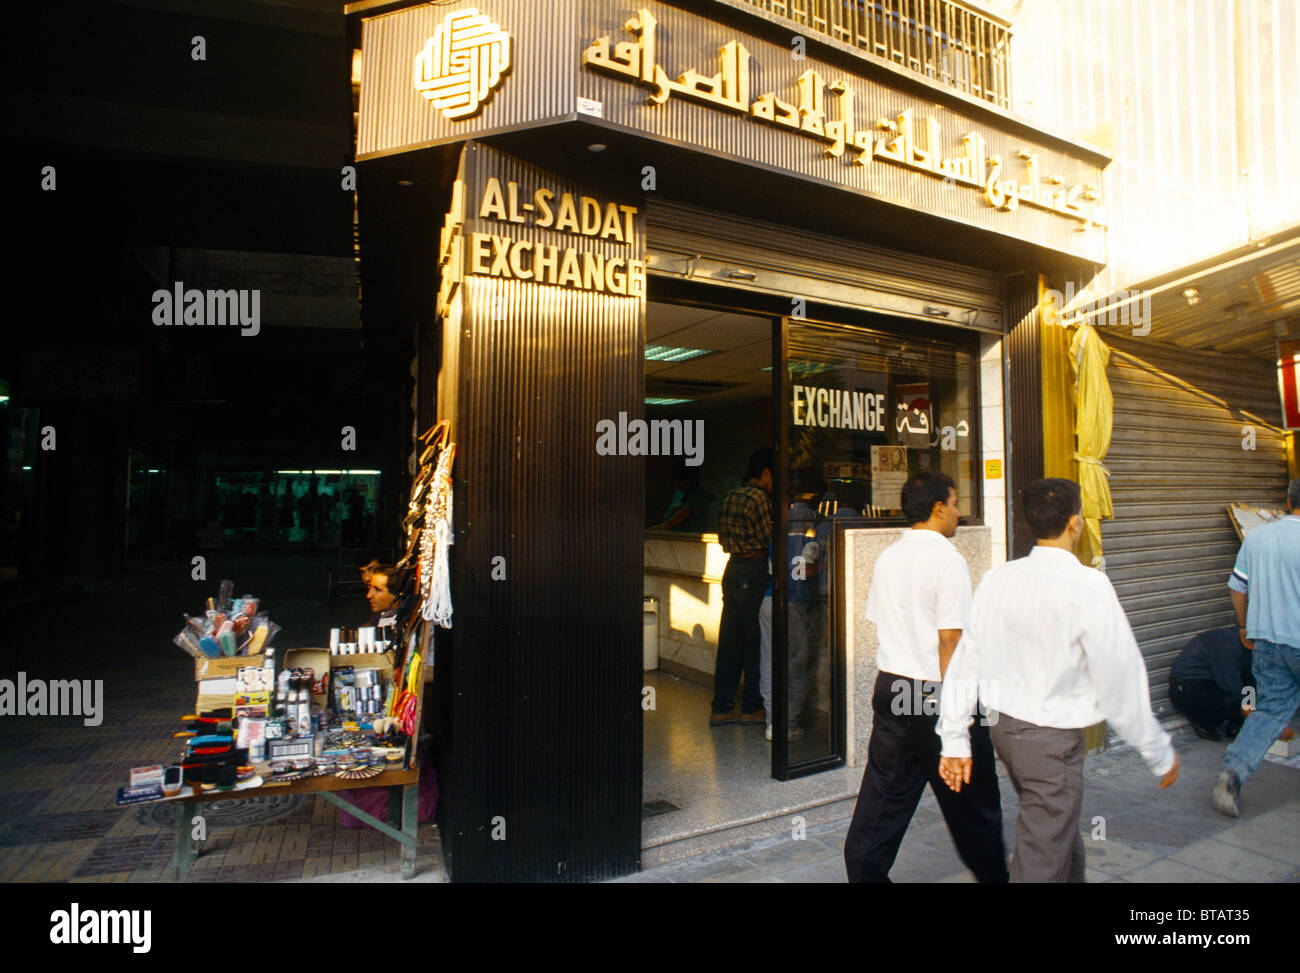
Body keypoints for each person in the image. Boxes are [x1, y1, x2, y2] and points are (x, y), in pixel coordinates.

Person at [938, 478, 1179, 883]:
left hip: (1004, 730)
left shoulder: (1000, 578)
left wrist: (954, 738)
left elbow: (967, 660)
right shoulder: (1089, 585)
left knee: (1054, 826)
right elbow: (1119, 678)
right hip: (1049, 741)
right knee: (1043, 850)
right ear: (1075, 522)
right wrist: (1157, 750)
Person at [842, 472, 1007, 884]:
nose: (958, 513)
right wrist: (955, 735)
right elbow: (950, 642)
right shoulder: (947, 560)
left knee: (880, 810)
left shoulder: (888, 556)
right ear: (937, 508)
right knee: (975, 813)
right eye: (954, 504)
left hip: (894, 689)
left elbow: (882, 623)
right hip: (938, 694)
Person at [1213, 478, 1300, 817]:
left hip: (1266, 641)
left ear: (1287, 501)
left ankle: (1231, 775)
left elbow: (1237, 587)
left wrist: (1245, 625)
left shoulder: (1258, 537)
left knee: (1269, 712)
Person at [711, 448, 774, 728]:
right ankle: (751, 707)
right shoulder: (760, 498)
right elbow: (768, 539)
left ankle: (722, 707)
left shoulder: (730, 495)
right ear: (766, 473)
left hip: (732, 568)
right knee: (754, 641)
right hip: (754, 569)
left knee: (729, 642)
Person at [1169, 626, 1254, 741]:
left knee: (1249, 684)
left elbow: (1248, 679)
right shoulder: (1227, 645)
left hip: (1211, 682)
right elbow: (1230, 682)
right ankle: (1203, 722)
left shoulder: (1245, 643)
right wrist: (1250, 712)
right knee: (1233, 701)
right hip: (1185, 688)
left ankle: (1236, 725)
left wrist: (1251, 705)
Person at [650, 461, 712, 532]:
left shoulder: (700, 494)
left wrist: (663, 526)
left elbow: (684, 513)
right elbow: (669, 514)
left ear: (691, 479)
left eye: (682, 481)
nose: (677, 485)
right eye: (677, 481)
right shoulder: (679, 493)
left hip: (690, 539)